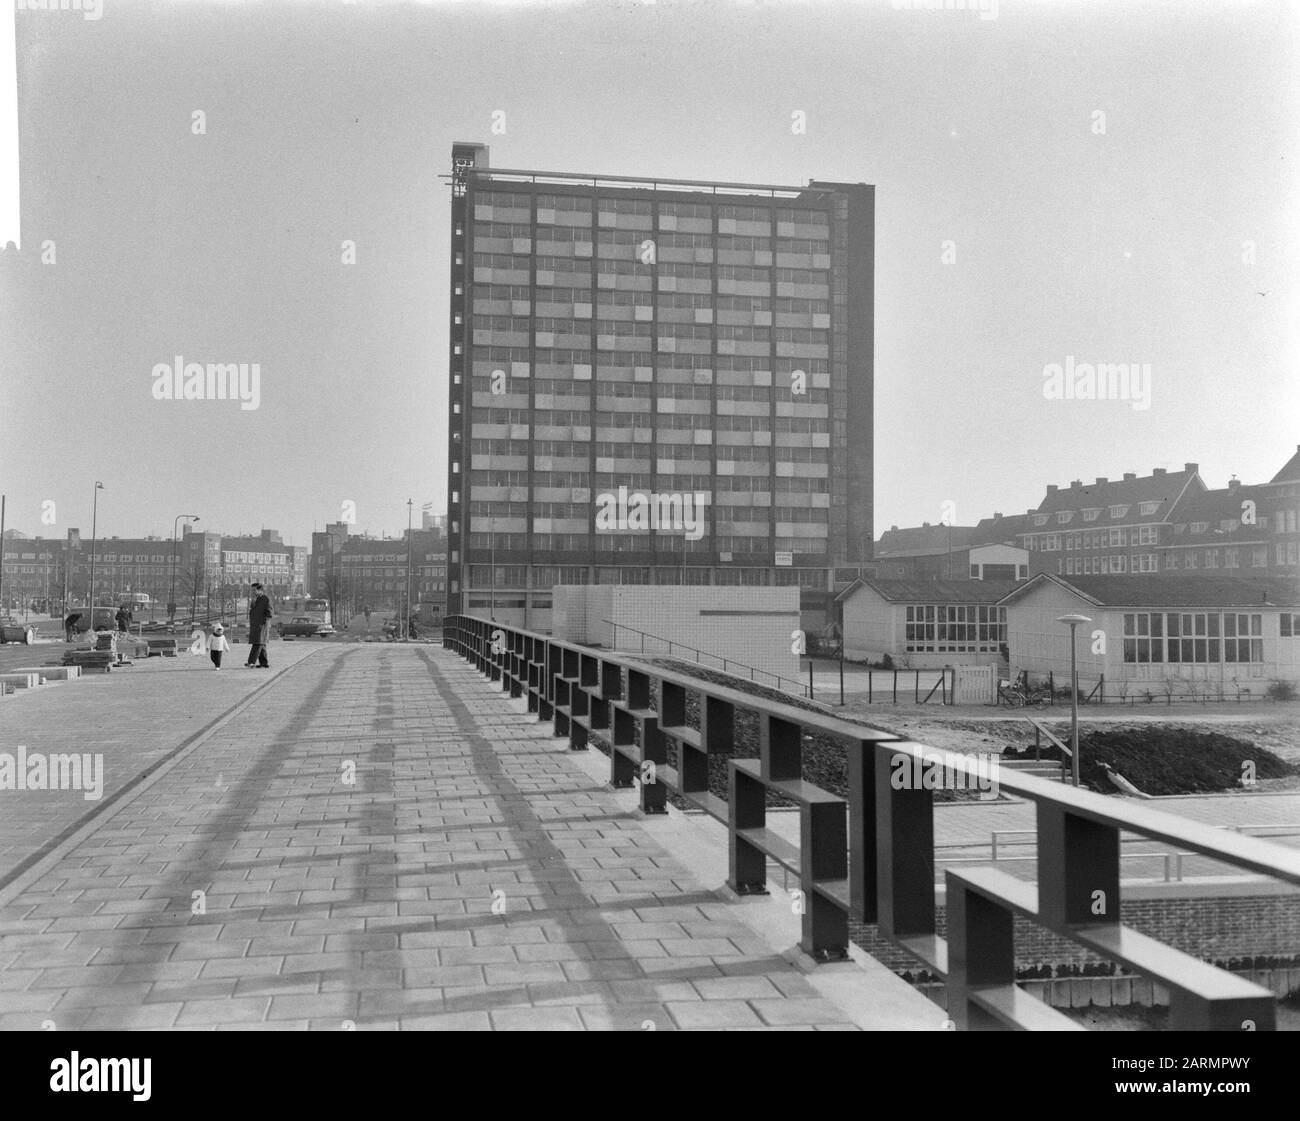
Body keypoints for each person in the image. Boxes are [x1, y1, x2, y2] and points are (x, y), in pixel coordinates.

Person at [245, 583, 273, 668]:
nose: (252, 592)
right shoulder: (255, 599)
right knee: (262, 643)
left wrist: (266, 624)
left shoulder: (265, 599)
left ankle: (251, 662)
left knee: (258, 643)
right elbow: (252, 611)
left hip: (262, 625)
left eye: (254, 590)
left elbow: (270, 612)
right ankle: (264, 663)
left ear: (260, 590)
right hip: (255, 624)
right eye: (251, 590)